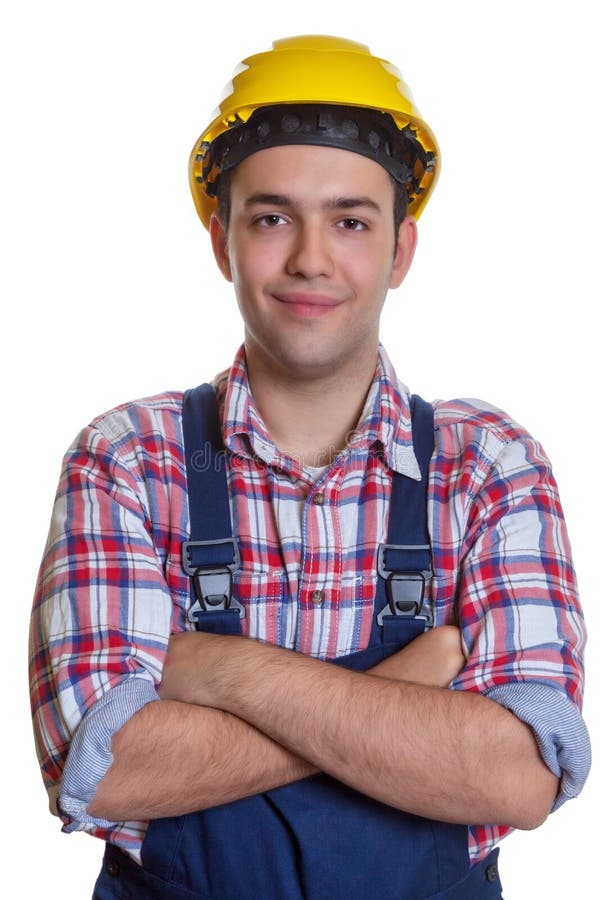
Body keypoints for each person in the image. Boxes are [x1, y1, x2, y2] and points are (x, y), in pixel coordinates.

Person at [29, 35, 590, 899]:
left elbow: (519, 778)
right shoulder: (128, 460)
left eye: (351, 220)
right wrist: (407, 688)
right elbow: (102, 769)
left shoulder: (487, 467)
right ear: (221, 241)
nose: (311, 260)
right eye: (272, 217)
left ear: (401, 250)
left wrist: (217, 673)